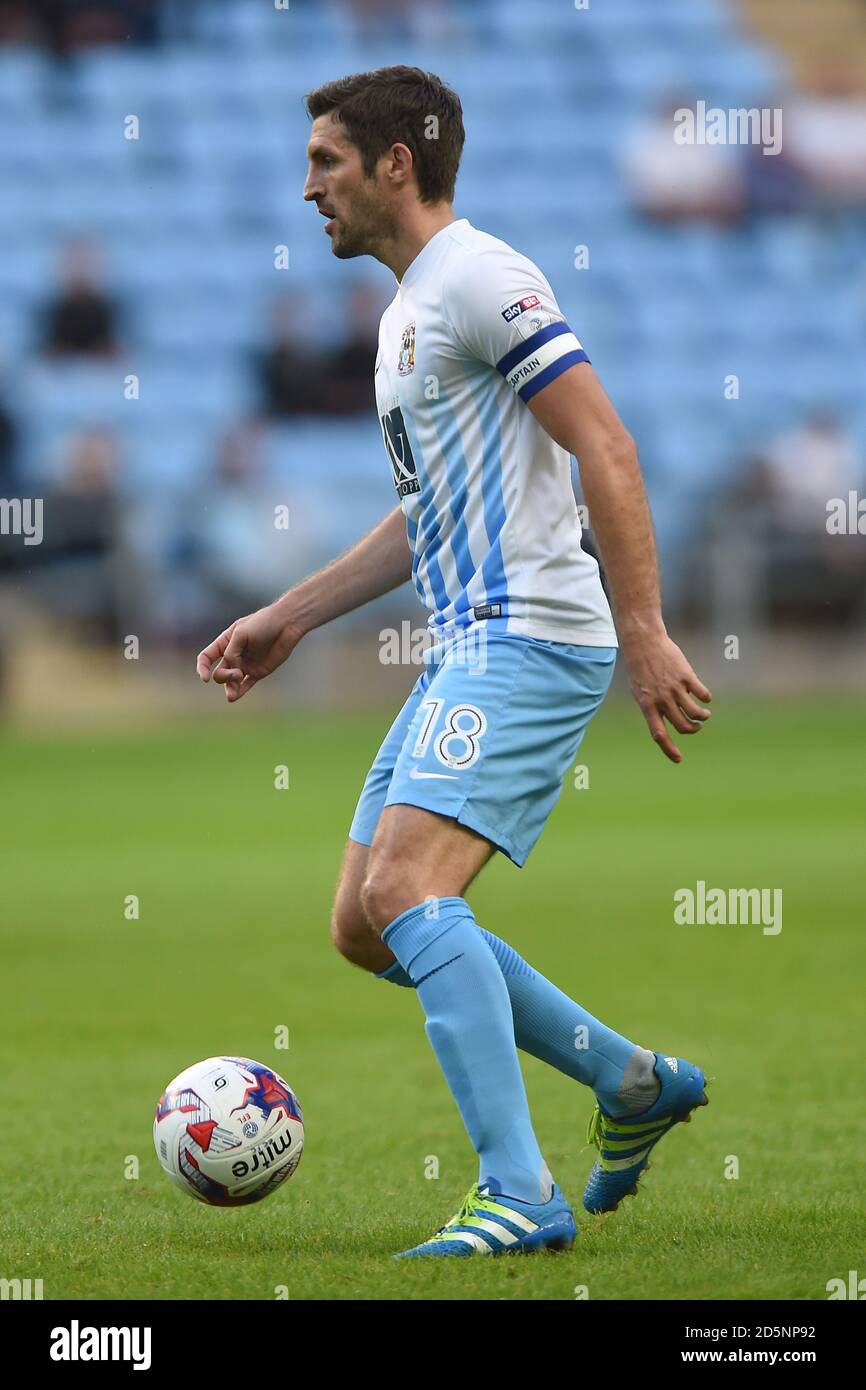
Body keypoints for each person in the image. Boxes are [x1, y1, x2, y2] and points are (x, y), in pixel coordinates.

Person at [196, 66, 712, 1259]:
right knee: (363, 922)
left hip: (529, 632)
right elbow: (421, 514)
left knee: (405, 892)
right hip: (466, 642)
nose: (307, 187)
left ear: (396, 162)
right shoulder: (406, 314)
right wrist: (291, 613)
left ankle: (516, 1189)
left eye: (325, 161)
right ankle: (628, 1081)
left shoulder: (481, 276)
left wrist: (642, 627)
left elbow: (605, 445)